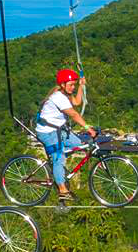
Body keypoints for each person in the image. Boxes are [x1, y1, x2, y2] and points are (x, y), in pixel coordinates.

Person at [35, 68, 97, 201]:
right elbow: (74, 114)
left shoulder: (65, 94)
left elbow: (77, 102)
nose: (73, 87)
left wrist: (81, 86)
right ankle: (62, 190)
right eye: (71, 85)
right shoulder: (58, 97)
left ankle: (56, 162)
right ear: (62, 85)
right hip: (48, 132)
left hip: (59, 129)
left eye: (74, 84)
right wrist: (88, 128)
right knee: (59, 157)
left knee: (77, 144)